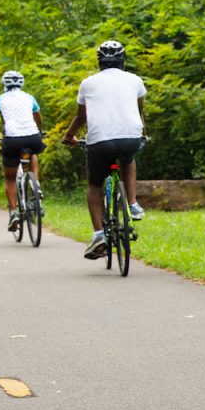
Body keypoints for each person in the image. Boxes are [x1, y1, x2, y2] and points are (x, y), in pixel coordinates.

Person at [60, 40, 147, 259]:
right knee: (128, 158)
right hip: (131, 136)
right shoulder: (135, 80)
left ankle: (99, 235)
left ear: (99, 62)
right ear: (123, 62)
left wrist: (69, 136)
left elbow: (80, 116)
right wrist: (142, 133)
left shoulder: (88, 83)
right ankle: (133, 204)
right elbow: (139, 110)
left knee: (94, 183)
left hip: (99, 141)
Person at [0, 70, 44, 231]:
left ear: (4, 84)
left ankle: (13, 212)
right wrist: (40, 131)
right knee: (33, 152)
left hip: (12, 140)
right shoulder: (29, 97)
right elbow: (38, 118)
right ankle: (36, 183)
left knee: (10, 179)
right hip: (33, 136)